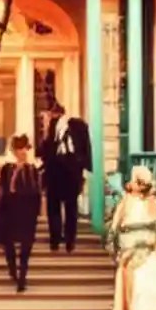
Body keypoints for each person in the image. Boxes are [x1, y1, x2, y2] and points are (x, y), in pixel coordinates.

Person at [109, 165, 156, 310]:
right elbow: (114, 226)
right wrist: (116, 244)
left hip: (149, 252)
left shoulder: (153, 203)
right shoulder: (125, 202)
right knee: (137, 289)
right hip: (130, 252)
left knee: (148, 291)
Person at [0, 134, 42, 292]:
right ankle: (12, 268)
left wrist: (36, 212)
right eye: (19, 149)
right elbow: (2, 189)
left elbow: (37, 191)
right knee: (9, 242)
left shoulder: (33, 169)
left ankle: (22, 277)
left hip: (27, 210)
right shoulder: (7, 168)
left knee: (26, 246)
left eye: (25, 148)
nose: (22, 152)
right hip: (11, 209)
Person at [38, 99, 92, 253]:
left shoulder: (57, 126)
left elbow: (45, 150)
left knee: (55, 207)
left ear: (53, 113)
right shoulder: (79, 125)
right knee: (70, 208)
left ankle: (56, 240)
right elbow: (85, 148)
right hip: (70, 173)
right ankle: (69, 241)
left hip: (58, 172)